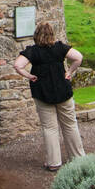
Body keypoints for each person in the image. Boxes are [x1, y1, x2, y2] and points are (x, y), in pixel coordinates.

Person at [13, 21, 86, 171]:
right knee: (70, 125)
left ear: (36, 35)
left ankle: (54, 163)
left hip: (42, 93)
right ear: (52, 34)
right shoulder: (60, 48)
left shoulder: (33, 51)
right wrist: (70, 72)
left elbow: (17, 65)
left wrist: (30, 76)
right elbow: (78, 57)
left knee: (50, 128)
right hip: (63, 91)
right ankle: (78, 158)